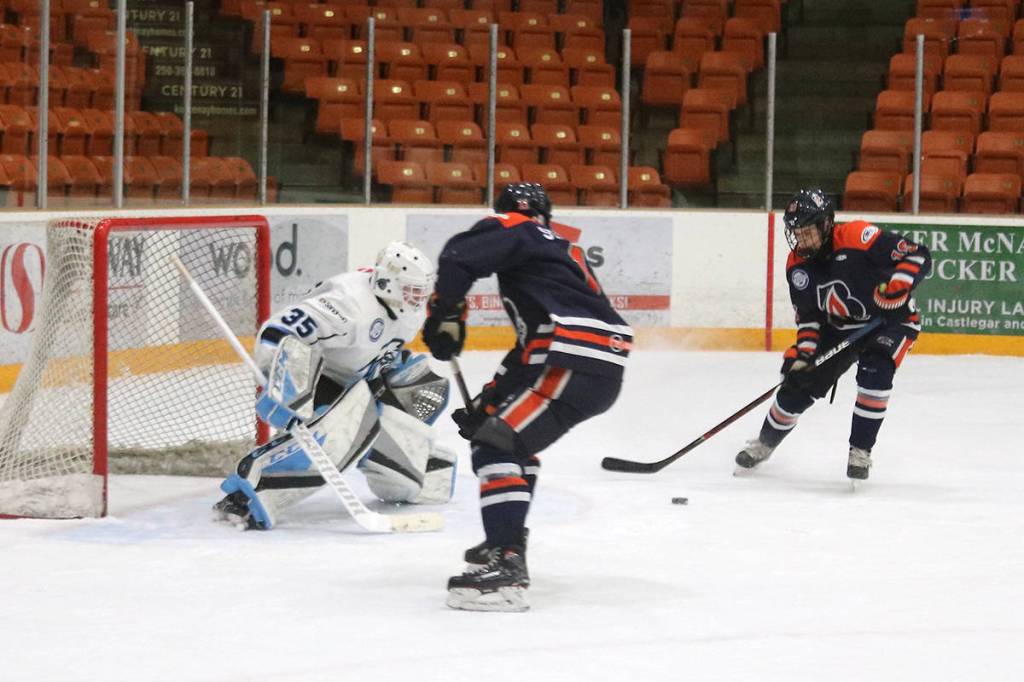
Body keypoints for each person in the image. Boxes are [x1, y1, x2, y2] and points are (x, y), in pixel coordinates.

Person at [422, 182, 632, 612]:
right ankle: (508, 537)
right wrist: (490, 401)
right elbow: (531, 348)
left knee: (496, 444)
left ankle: (508, 562)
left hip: (570, 359)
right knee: (507, 440)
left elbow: (458, 256)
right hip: (588, 363)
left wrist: (445, 313)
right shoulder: (561, 255)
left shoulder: (517, 227)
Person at [214, 241, 458, 530]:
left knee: (409, 469)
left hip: (357, 381)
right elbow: (278, 331)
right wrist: (285, 386)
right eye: (411, 291)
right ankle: (247, 493)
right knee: (343, 434)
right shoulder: (350, 303)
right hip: (315, 376)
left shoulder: (408, 311)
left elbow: (381, 350)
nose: (417, 300)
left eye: (421, 293)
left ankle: (415, 465)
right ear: (388, 284)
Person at [735, 188, 932, 481]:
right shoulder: (797, 266)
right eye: (796, 233)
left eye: (807, 232)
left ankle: (860, 451)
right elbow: (810, 318)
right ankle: (765, 443)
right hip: (839, 326)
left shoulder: (857, 236)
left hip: (890, 320)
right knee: (796, 386)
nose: (802, 240)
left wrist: (898, 284)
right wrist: (804, 356)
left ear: (827, 224)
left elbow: (917, 255)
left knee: (875, 370)